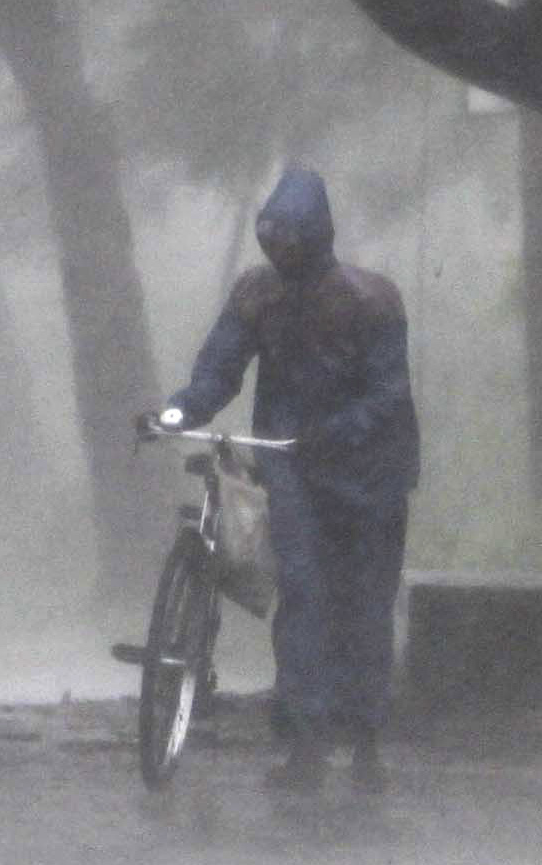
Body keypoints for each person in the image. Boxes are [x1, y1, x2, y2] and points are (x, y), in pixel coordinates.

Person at [154, 168, 418, 797]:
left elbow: (389, 392)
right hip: (293, 463)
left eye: (289, 238)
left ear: (316, 235)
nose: (279, 250)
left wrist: (340, 430)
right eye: (270, 237)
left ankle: (366, 739)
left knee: (366, 603)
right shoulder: (257, 295)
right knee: (302, 595)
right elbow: (220, 368)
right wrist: (182, 410)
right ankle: (306, 739)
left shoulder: (371, 300)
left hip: (373, 474)